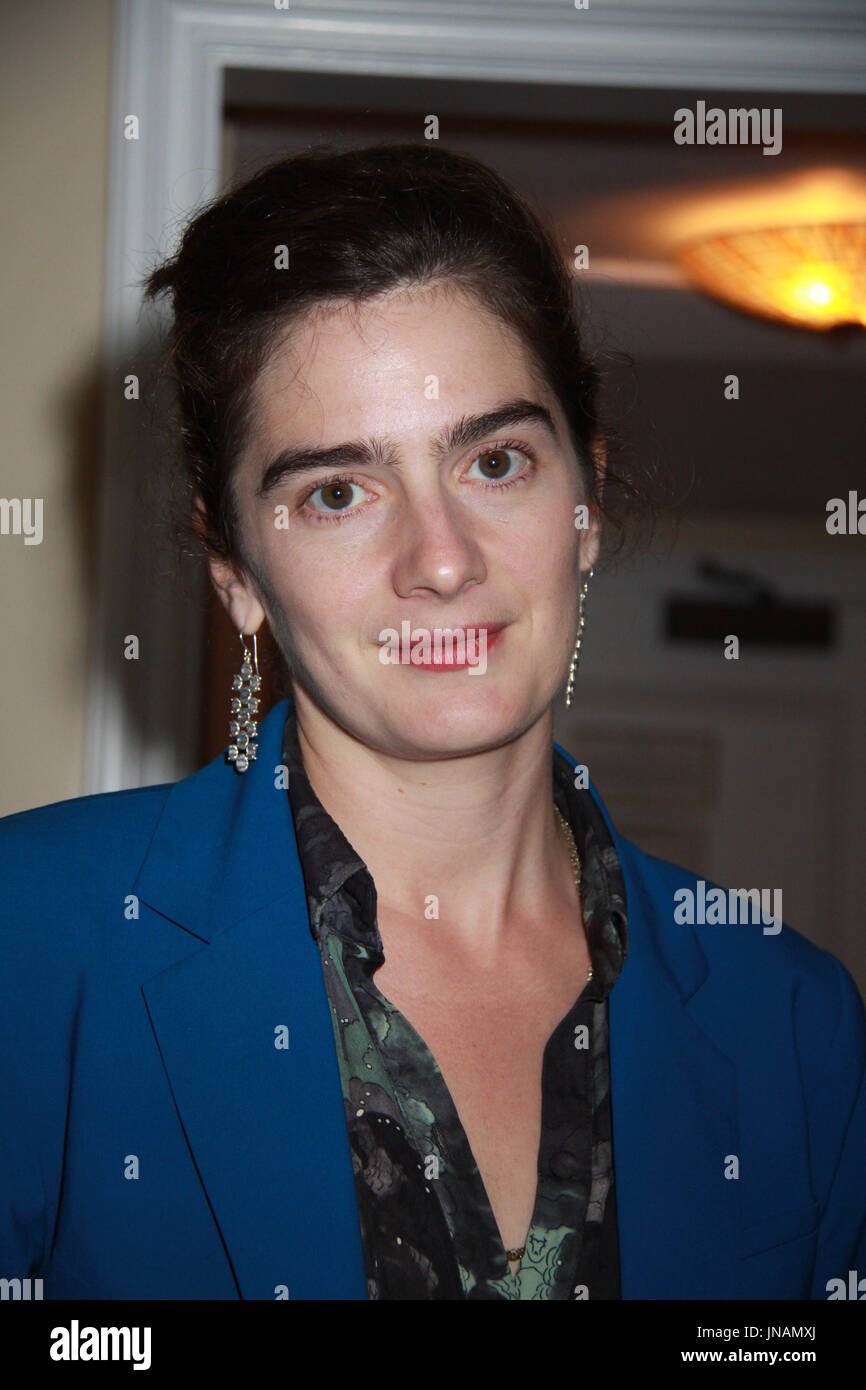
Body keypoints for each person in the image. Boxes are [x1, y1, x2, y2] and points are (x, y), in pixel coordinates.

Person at [1, 143, 863, 1302]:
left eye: (494, 460)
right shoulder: (37, 944)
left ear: (583, 504)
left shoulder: (792, 1019)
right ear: (236, 570)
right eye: (337, 493)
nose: (441, 559)